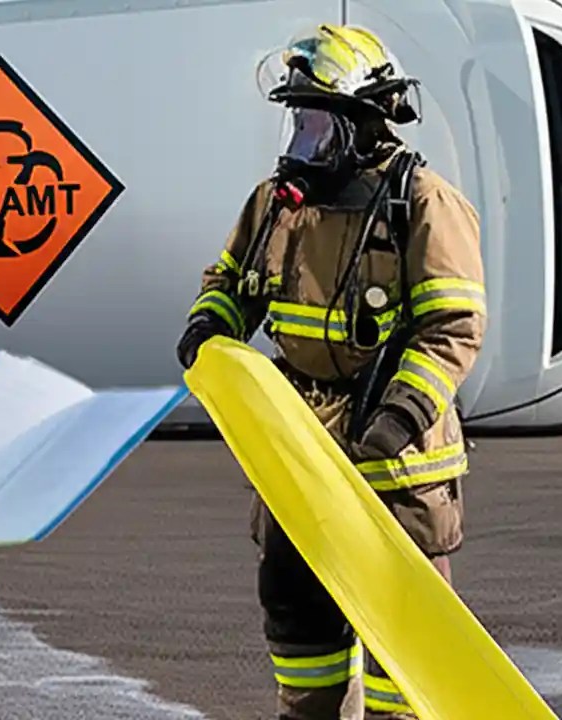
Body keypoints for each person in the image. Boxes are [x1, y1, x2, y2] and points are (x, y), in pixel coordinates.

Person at [176, 24, 486, 720]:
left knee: (401, 659)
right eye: (299, 121)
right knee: (297, 630)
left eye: (317, 122)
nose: (302, 139)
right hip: (300, 465)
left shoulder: (425, 205)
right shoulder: (276, 204)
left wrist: (398, 419)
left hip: (397, 476)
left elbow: (453, 326)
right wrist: (209, 324)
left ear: (363, 124)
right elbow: (231, 280)